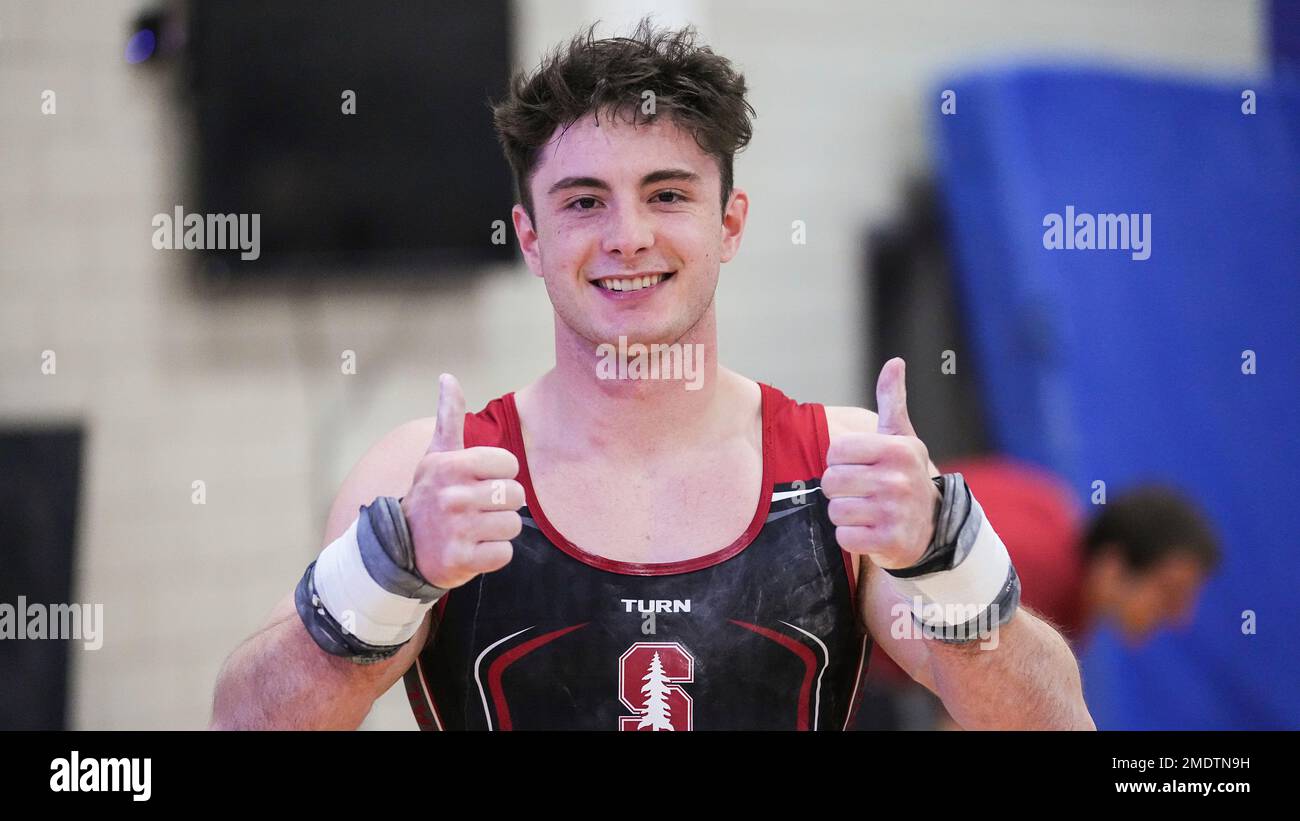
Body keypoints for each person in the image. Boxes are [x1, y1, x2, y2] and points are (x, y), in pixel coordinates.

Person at [210, 18, 1093, 731]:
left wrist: (951, 562)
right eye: (584, 200)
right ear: (531, 239)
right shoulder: (428, 477)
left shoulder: (844, 464)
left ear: (731, 224)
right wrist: (384, 576)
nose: (627, 235)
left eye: (667, 194)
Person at [860, 456, 1220, 730]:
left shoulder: (1050, 501)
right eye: (1170, 592)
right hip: (840, 620)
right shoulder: (1040, 590)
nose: (1181, 614)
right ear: (1114, 567)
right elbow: (970, 713)